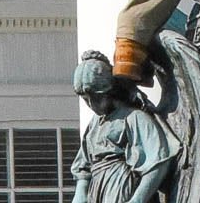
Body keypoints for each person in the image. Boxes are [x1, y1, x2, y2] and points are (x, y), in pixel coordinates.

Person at [71, 50, 180, 203]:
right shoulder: (95, 123)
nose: (91, 105)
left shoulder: (134, 117)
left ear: (110, 91)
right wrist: (80, 192)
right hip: (96, 192)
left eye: (96, 97)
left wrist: (138, 199)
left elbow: (158, 162)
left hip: (120, 187)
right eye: (85, 99)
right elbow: (83, 165)